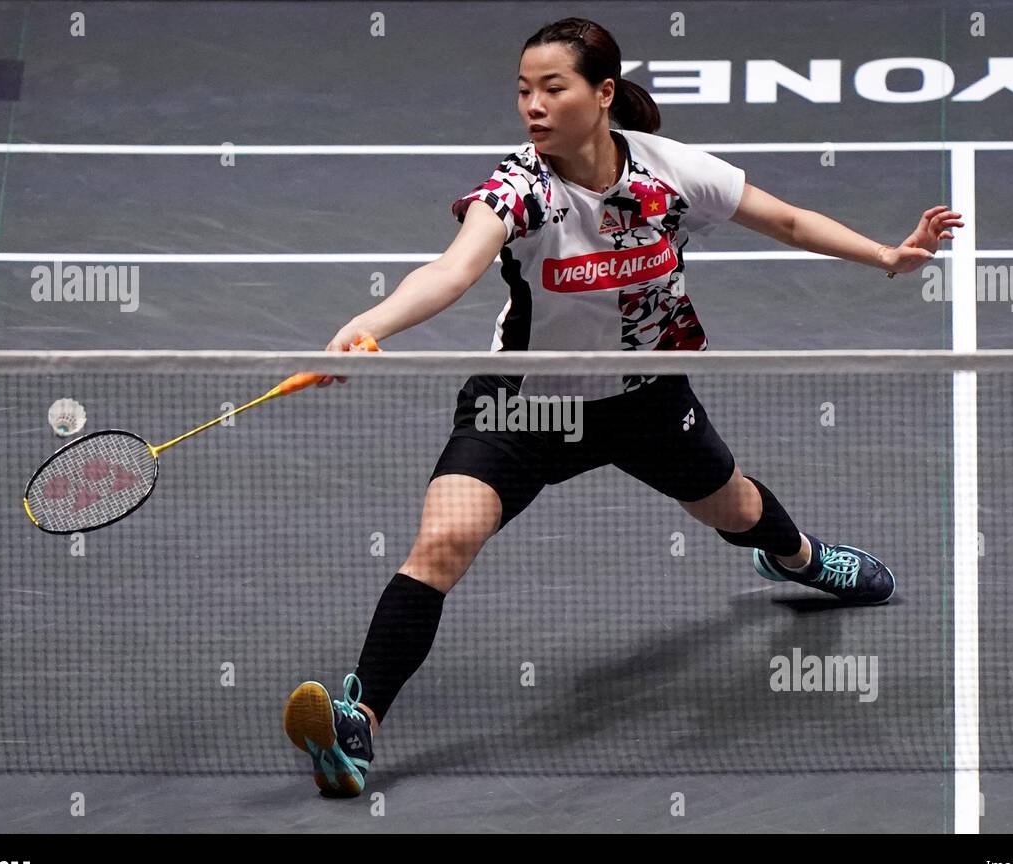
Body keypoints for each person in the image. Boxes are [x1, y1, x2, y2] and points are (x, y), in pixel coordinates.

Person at [283, 17, 965, 797]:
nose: (532, 106)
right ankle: (357, 721)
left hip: (645, 399)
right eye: (522, 90)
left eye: (552, 88)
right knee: (441, 544)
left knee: (737, 507)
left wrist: (885, 253)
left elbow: (783, 219)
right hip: (526, 409)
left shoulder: (668, 172)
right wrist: (367, 327)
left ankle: (799, 559)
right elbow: (452, 271)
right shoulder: (518, 188)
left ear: (602, 94)